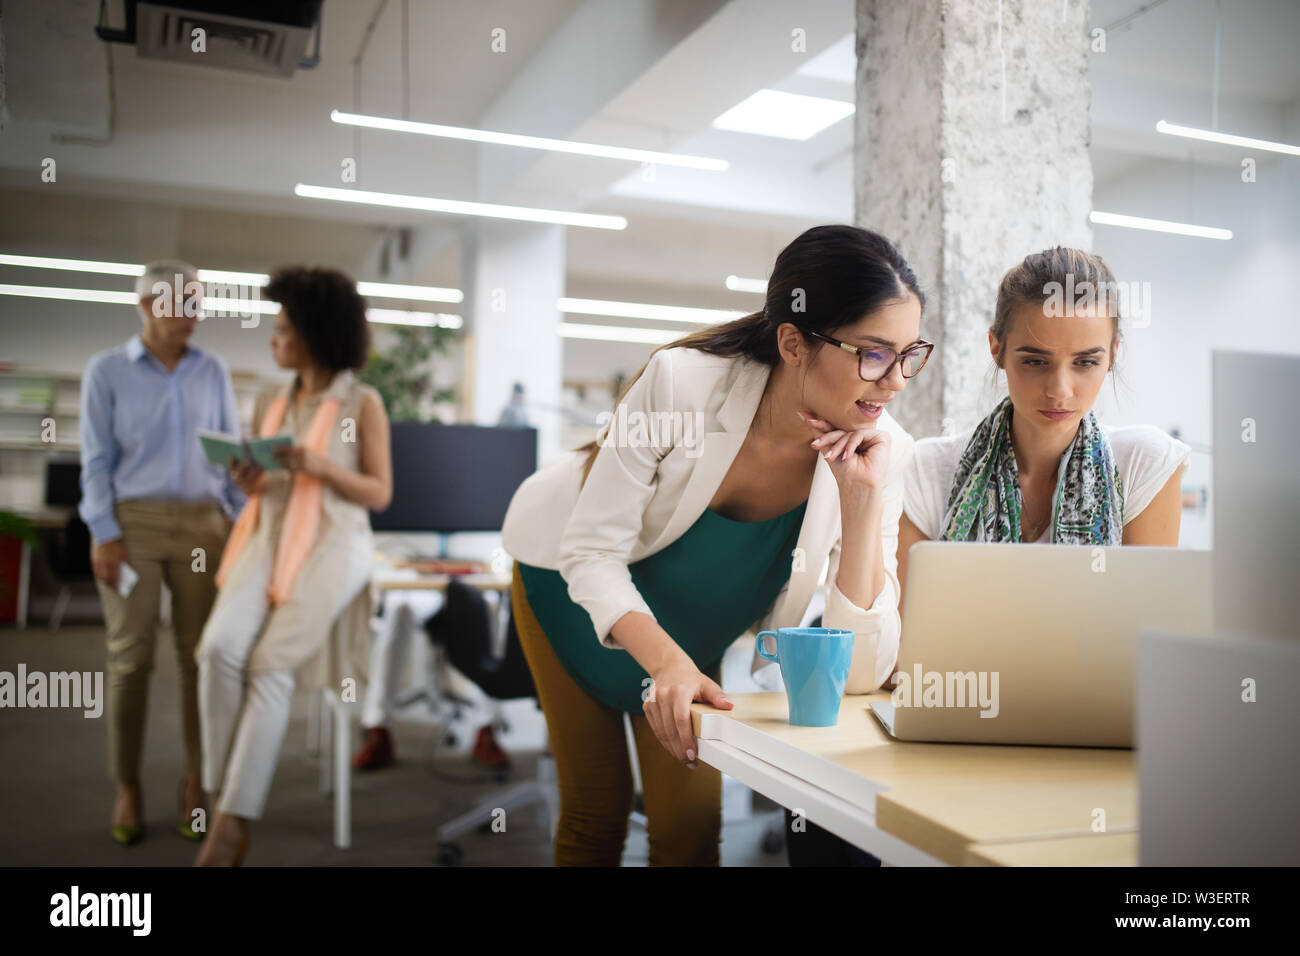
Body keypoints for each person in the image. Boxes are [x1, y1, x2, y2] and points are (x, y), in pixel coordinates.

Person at [500, 225, 932, 866]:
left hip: (693, 639)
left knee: (689, 833)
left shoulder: (884, 449)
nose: (895, 382)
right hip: (572, 585)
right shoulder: (682, 385)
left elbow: (865, 672)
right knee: (597, 812)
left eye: (909, 354)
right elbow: (590, 553)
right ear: (793, 342)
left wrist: (862, 506)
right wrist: (666, 664)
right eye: (873, 354)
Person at [193, 266, 392, 866]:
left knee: (270, 665)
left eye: (283, 329)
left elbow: (379, 492)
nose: (273, 339)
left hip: (336, 540)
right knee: (217, 651)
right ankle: (216, 790)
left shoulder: (363, 402)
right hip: (268, 532)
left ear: (314, 333)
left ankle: (229, 825)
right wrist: (249, 477)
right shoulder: (269, 399)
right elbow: (263, 482)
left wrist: (319, 464)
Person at [898, 246, 1190, 607]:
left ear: (1113, 354)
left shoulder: (1144, 465)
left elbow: (1146, 639)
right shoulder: (927, 470)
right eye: (1036, 361)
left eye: (1085, 363)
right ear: (996, 348)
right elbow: (904, 646)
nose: (1060, 391)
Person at [79, 260, 244, 847]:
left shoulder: (212, 370)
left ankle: (198, 782)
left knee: (202, 658)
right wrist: (102, 531)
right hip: (135, 526)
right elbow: (96, 460)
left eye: (199, 305)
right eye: (183, 305)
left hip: (204, 525)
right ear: (149, 305)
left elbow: (229, 456)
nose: (194, 317)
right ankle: (127, 783)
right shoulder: (106, 372)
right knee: (131, 660)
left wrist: (239, 519)